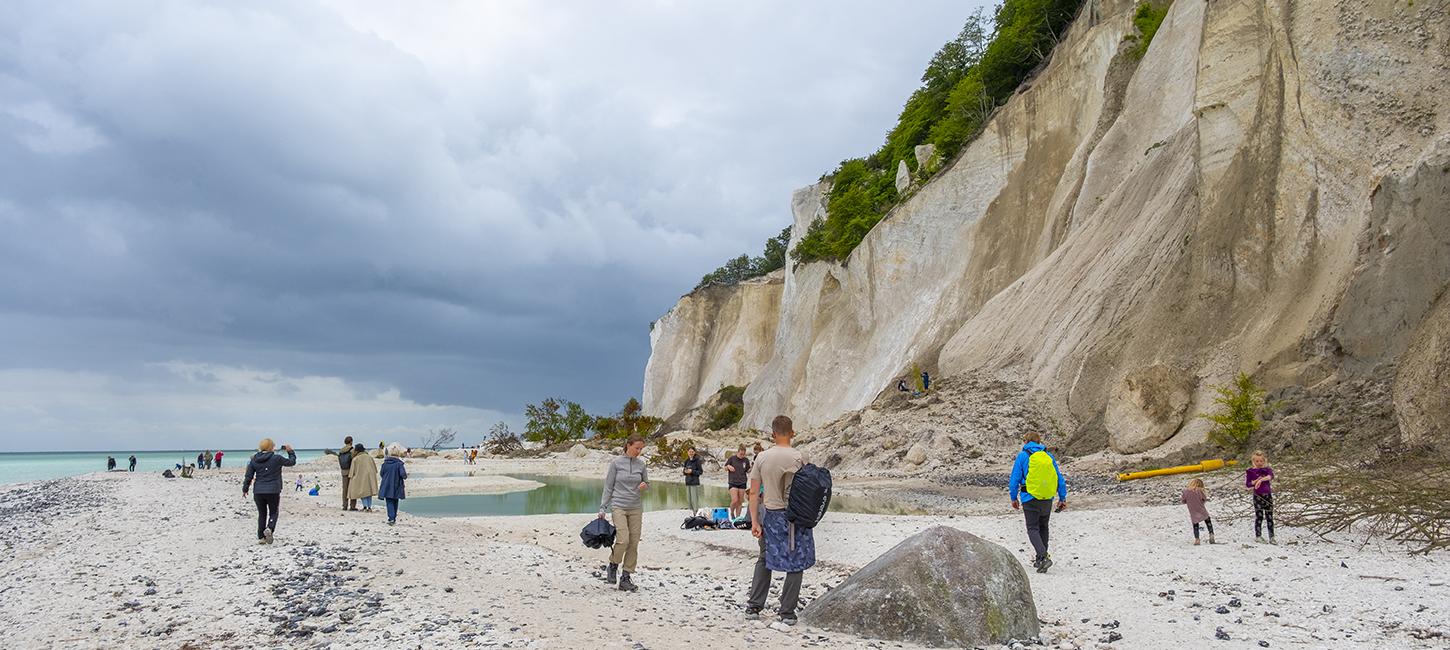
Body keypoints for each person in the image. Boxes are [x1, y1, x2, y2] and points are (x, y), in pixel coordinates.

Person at [745, 415, 814, 625]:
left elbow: (754, 493)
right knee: (796, 562)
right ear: (792, 433)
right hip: (797, 516)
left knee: (765, 558)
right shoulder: (802, 457)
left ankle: (754, 606)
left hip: (772, 514)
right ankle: (787, 612)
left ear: (773, 434)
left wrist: (755, 521)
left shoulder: (762, 457)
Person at [1008, 431, 1067, 573]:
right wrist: (1062, 497)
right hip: (1047, 497)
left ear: (1026, 441)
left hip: (1029, 497)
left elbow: (1015, 478)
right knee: (1043, 527)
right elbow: (1059, 478)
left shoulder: (1023, 456)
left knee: (1033, 528)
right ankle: (1040, 559)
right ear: (1039, 442)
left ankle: (1044, 557)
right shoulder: (1048, 456)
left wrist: (1013, 497)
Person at [598, 435, 649, 592]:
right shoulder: (616, 463)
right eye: (636, 448)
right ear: (628, 445)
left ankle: (626, 577)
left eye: (641, 449)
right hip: (619, 506)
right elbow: (608, 486)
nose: (639, 451)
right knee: (623, 540)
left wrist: (644, 485)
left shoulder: (641, 465)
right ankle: (613, 565)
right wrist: (603, 507)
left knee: (634, 543)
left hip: (635, 508)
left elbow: (647, 483)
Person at [242, 438, 296, 544]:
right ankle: (270, 528)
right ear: (271, 447)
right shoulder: (276, 458)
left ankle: (261, 537)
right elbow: (291, 462)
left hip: (258, 491)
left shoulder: (254, 459)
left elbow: (248, 476)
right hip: (273, 490)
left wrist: (245, 489)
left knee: (262, 514)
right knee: (273, 512)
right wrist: (290, 451)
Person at [1245, 450, 1275, 544]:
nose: (1259, 463)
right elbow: (1248, 484)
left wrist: (1261, 480)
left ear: (1264, 461)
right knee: (1259, 516)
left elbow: (1270, 476)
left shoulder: (1267, 469)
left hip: (1267, 495)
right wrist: (1255, 481)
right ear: (1253, 461)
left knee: (1269, 516)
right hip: (1257, 496)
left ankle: (1272, 536)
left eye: (1261, 461)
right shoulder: (1251, 471)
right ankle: (1258, 536)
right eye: (1257, 461)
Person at [324, 436, 358, 511]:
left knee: (345, 489)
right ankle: (352, 506)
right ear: (351, 441)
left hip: (343, 471)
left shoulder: (341, 451)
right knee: (352, 488)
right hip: (351, 471)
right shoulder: (352, 450)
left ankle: (344, 505)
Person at [379, 444, 408, 525]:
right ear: (398, 454)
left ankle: (391, 518)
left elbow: (381, 474)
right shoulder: (399, 464)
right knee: (395, 501)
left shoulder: (385, 464)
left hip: (386, 484)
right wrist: (405, 476)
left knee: (389, 501)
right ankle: (393, 518)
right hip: (396, 485)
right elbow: (403, 475)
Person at [1182, 478, 1215, 545]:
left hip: (1193, 511)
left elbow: (1183, 501)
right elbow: (1204, 499)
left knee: (1195, 525)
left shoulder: (1185, 491)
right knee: (1208, 520)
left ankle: (1197, 539)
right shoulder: (1199, 491)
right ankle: (1211, 533)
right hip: (1201, 509)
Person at [348, 443, 380, 512]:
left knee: (362, 492)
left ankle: (365, 507)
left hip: (360, 477)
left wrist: (350, 477)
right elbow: (375, 469)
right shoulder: (369, 457)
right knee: (369, 493)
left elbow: (351, 472)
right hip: (369, 477)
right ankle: (369, 507)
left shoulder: (355, 459)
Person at [724, 446, 751, 520]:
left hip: (742, 481)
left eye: (743, 454)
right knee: (735, 500)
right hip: (733, 482)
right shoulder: (732, 458)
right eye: (741, 454)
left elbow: (748, 470)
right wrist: (729, 466)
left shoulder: (746, 460)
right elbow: (725, 468)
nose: (742, 455)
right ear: (738, 452)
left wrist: (753, 467)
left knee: (740, 501)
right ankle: (732, 512)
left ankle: (738, 517)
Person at [682, 447, 705, 513]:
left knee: (694, 499)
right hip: (688, 482)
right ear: (687, 452)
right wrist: (685, 471)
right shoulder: (686, 461)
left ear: (694, 452)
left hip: (694, 482)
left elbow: (700, 472)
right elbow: (684, 471)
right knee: (689, 500)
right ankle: (690, 513)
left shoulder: (697, 461)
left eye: (692, 452)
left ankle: (696, 513)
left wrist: (692, 471)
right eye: (689, 452)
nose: (691, 453)